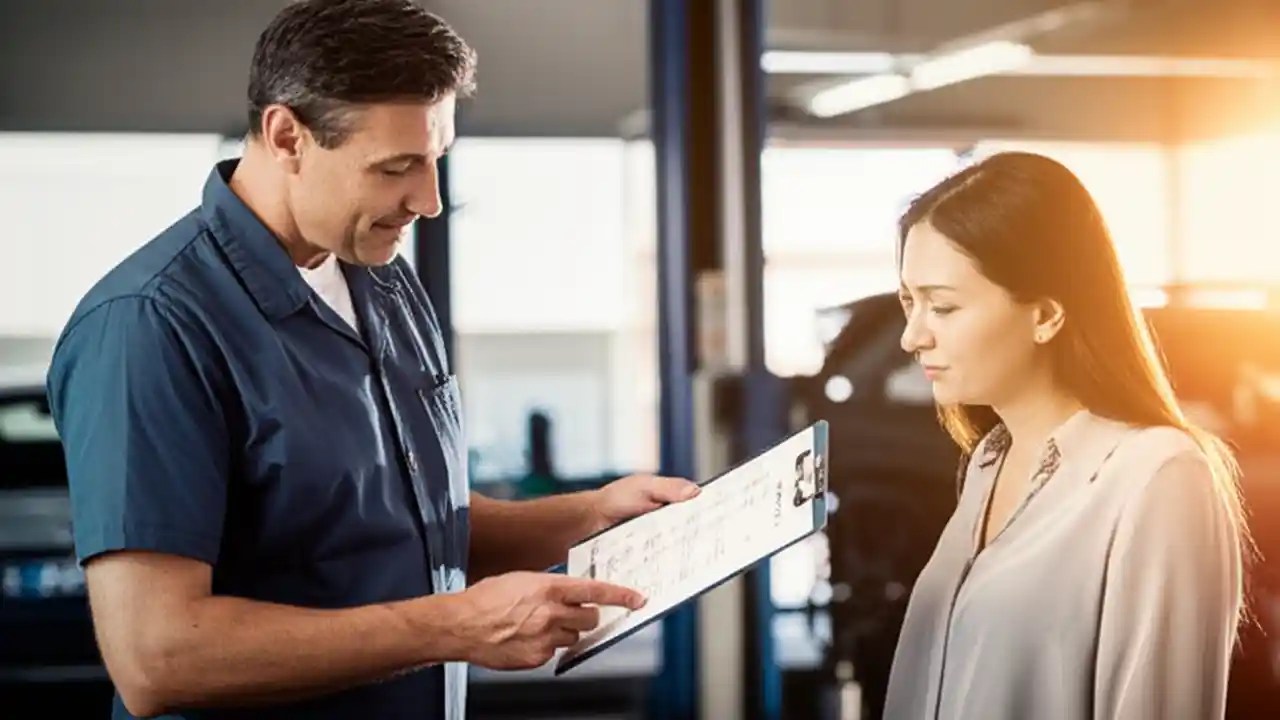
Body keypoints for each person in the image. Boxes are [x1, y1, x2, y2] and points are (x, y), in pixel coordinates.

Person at [43, 2, 699, 719]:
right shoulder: (150, 325)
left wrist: (593, 515)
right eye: (396, 167)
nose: (430, 201)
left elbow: (404, 527)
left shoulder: (382, 279)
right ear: (287, 136)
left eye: (436, 159)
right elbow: (158, 658)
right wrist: (456, 625)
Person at [883, 151, 1250, 719]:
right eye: (910, 302)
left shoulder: (1158, 476)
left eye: (944, 307)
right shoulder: (989, 461)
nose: (912, 337)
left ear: (1046, 315)